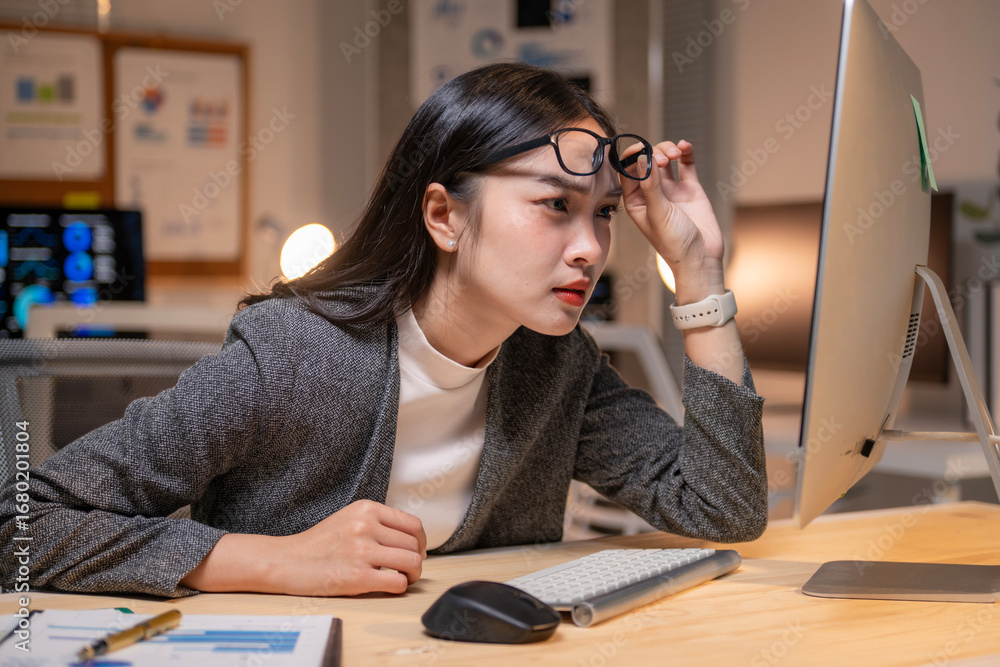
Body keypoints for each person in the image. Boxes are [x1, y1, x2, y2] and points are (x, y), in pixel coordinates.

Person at [0, 62, 766, 599]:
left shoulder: (558, 366)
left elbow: (721, 508)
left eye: (602, 213)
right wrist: (273, 562)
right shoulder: (291, 355)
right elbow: (21, 524)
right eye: (553, 205)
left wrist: (698, 272)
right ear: (443, 215)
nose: (589, 248)